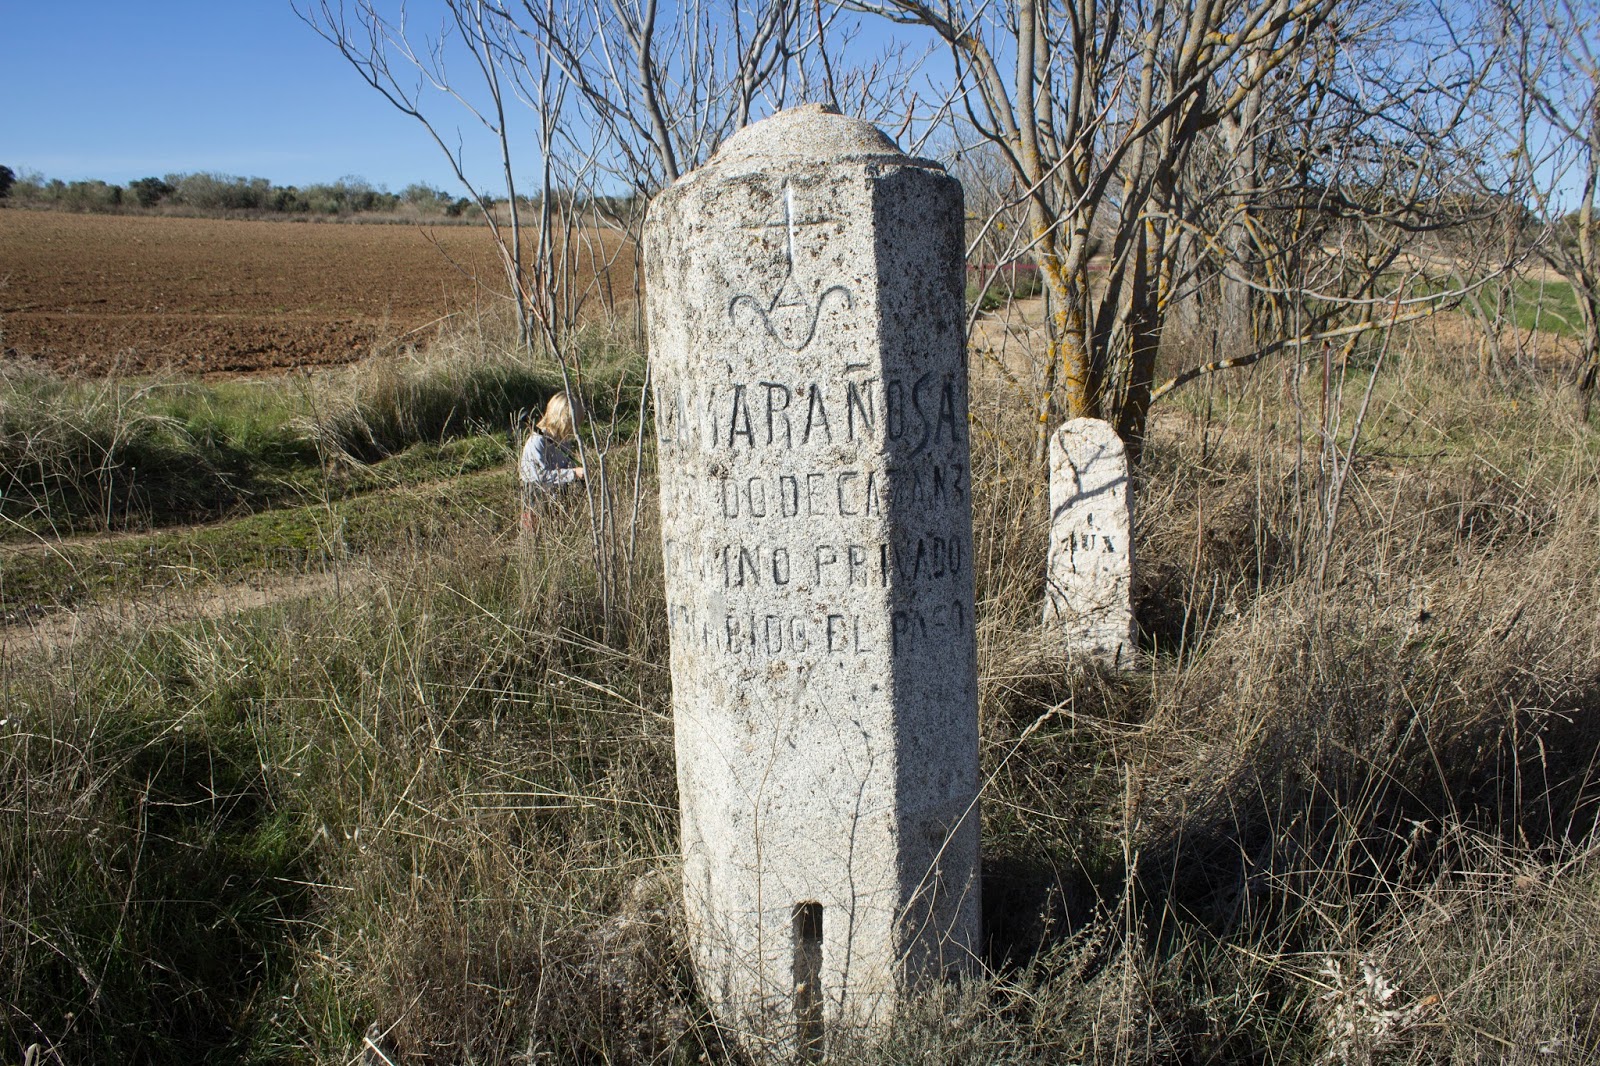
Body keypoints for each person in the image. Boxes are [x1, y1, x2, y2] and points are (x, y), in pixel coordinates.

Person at [519, 391, 585, 531]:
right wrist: (573, 473)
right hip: (536, 497)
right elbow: (540, 477)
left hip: (557, 495)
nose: (576, 427)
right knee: (535, 536)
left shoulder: (563, 439)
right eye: (574, 422)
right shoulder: (537, 441)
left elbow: (564, 465)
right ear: (563, 419)